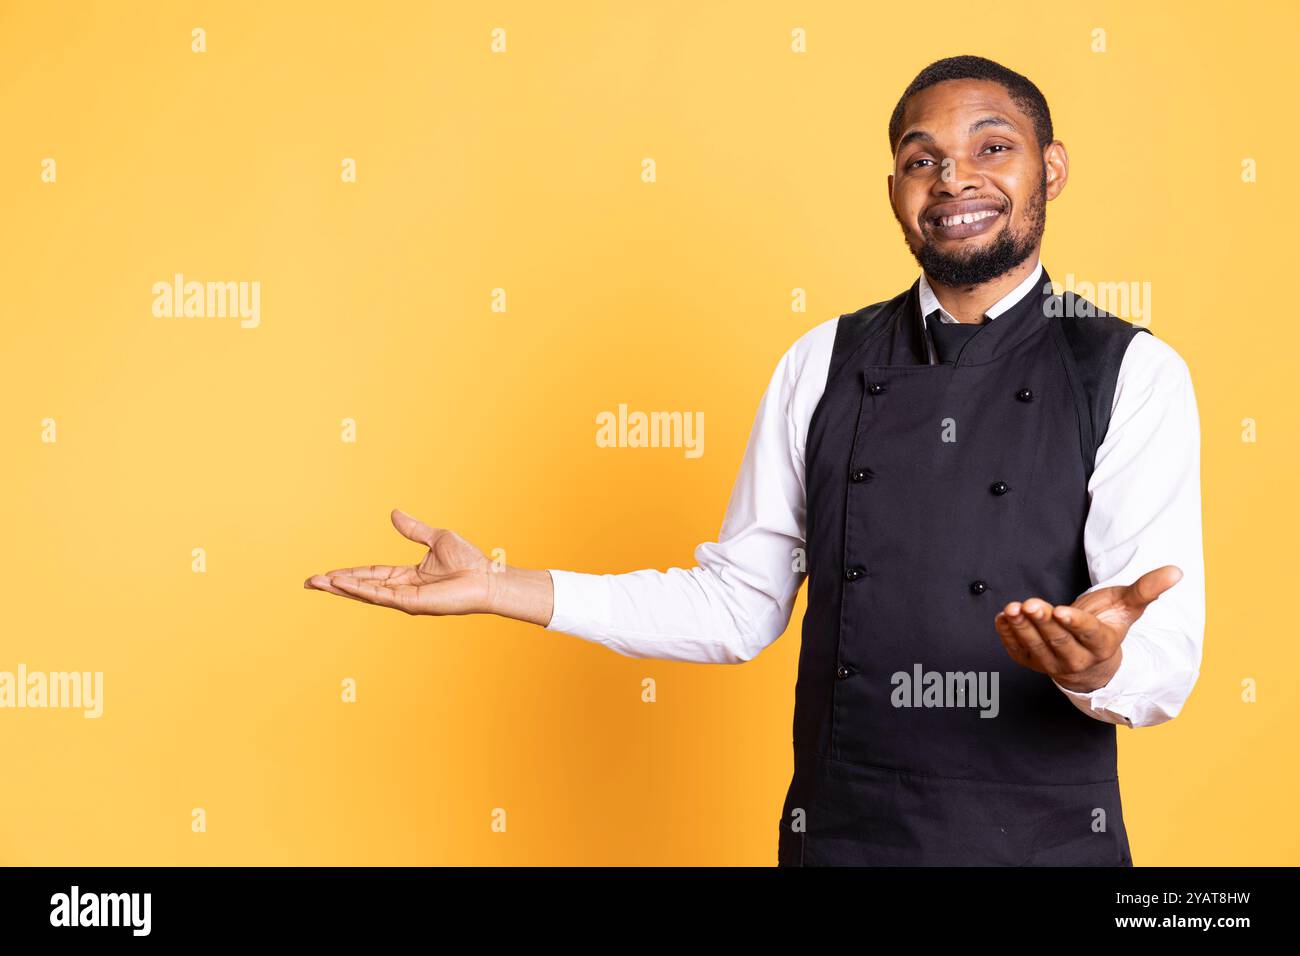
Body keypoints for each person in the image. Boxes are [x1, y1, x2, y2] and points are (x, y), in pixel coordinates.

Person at [305, 55, 1205, 866]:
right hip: (842, 837)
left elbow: (1161, 652)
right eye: (922, 158)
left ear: (1049, 168)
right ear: (893, 186)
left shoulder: (1129, 372)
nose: (954, 179)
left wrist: (1099, 668)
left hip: (1040, 849)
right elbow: (738, 604)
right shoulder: (822, 361)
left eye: (992, 147)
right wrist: (505, 587)